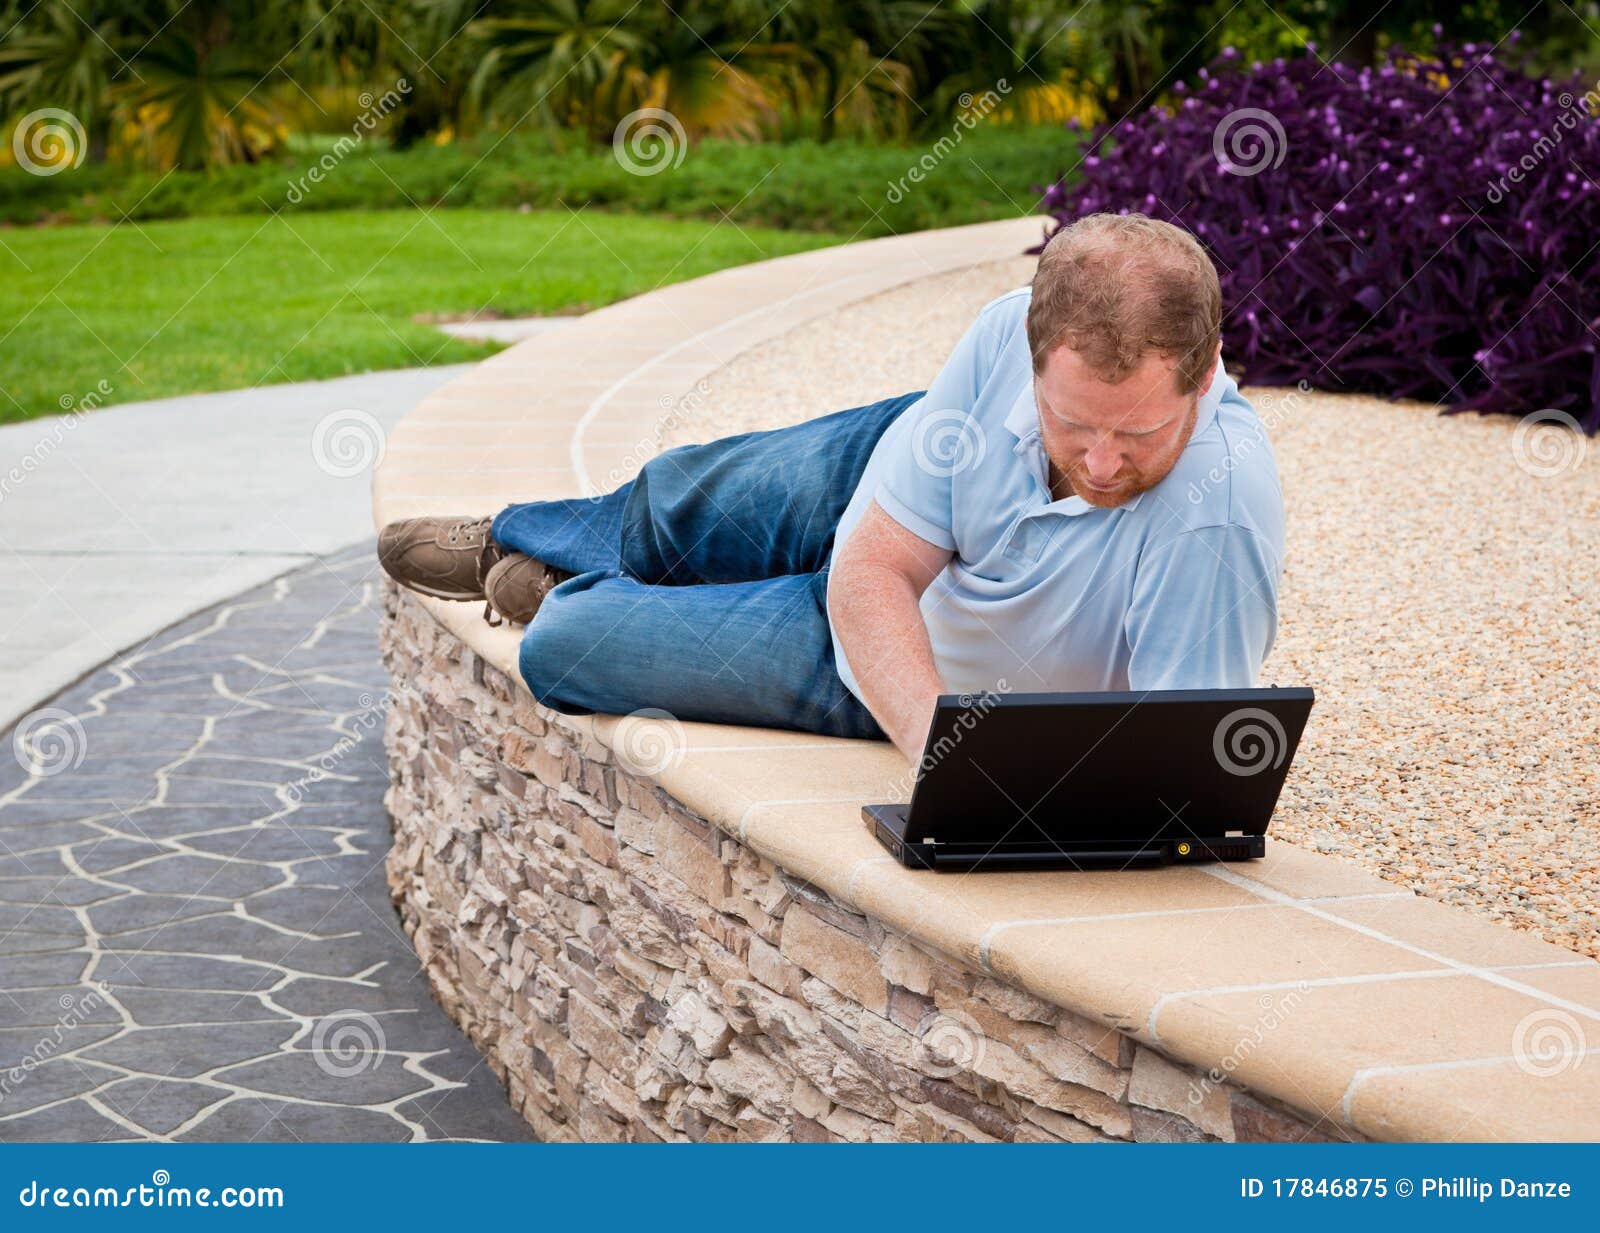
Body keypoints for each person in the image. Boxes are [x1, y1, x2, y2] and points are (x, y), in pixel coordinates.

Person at [377, 212, 1284, 762]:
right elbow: (876, 566)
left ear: (1205, 374)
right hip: (885, 500)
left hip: (892, 667)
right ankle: (520, 536)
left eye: (1137, 434)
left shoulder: (1217, 513)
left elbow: (1177, 773)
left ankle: (566, 585)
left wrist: (947, 756)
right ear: (1033, 355)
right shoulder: (1005, 331)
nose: (1101, 463)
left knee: (568, 647)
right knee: (685, 494)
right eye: (1072, 423)